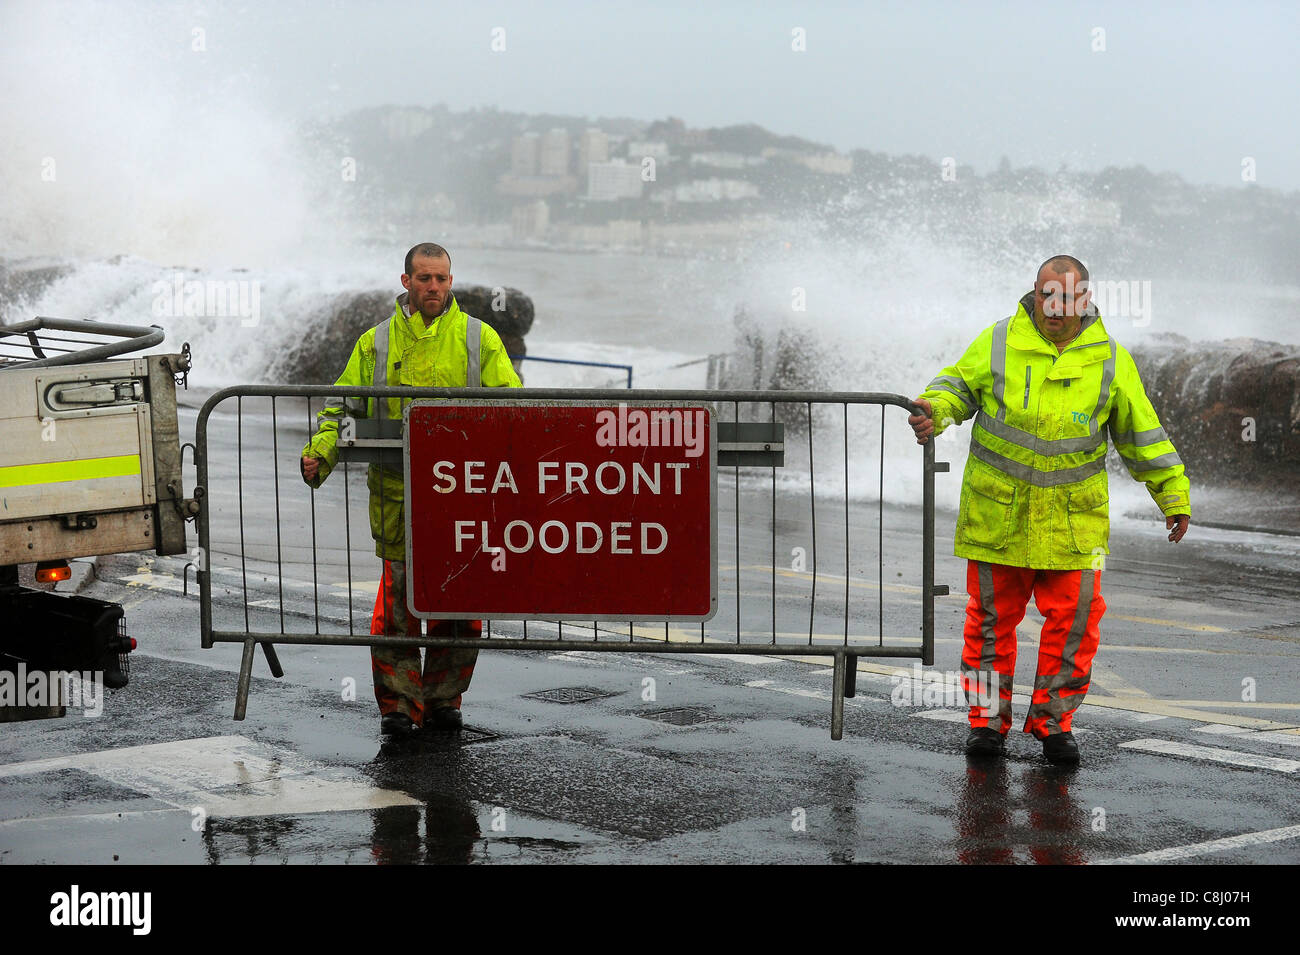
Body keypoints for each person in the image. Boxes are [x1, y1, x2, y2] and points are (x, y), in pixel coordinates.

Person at [908, 254, 1190, 765]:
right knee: (990, 624)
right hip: (999, 518)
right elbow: (955, 388)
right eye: (1046, 295)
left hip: (1074, 527)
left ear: (1085, 301)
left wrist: (1172, 494)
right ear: (1034, 293)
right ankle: (986, 724)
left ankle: (1054, 723)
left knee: (1075, 624)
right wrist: (934, 411)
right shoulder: (998, 341)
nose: (1054, 308)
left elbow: (1141, 435)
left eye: (1066, 298)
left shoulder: (1110, 358)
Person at [301, 243, 522, 737]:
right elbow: (340, 406)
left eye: (441, 279)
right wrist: (321, 453)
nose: (434, 288)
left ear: (451, 281)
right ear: (405, 282)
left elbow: (512, 410)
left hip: (461, 500)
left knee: (458, 607)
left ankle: (444, 700)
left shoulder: (477, 338)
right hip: (397, 497)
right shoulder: (375, 343)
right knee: (398, 609)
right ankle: (399, 706)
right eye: (424, 278)